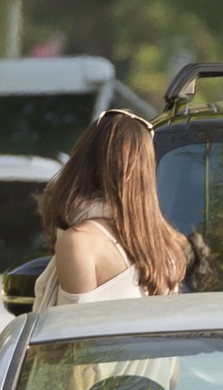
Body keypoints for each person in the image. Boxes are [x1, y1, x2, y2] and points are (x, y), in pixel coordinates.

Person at [34, 108, 189, 309]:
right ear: (146, 173)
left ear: (82, 164)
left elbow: (73, 336)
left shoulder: (80, 242)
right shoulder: (167, 246)